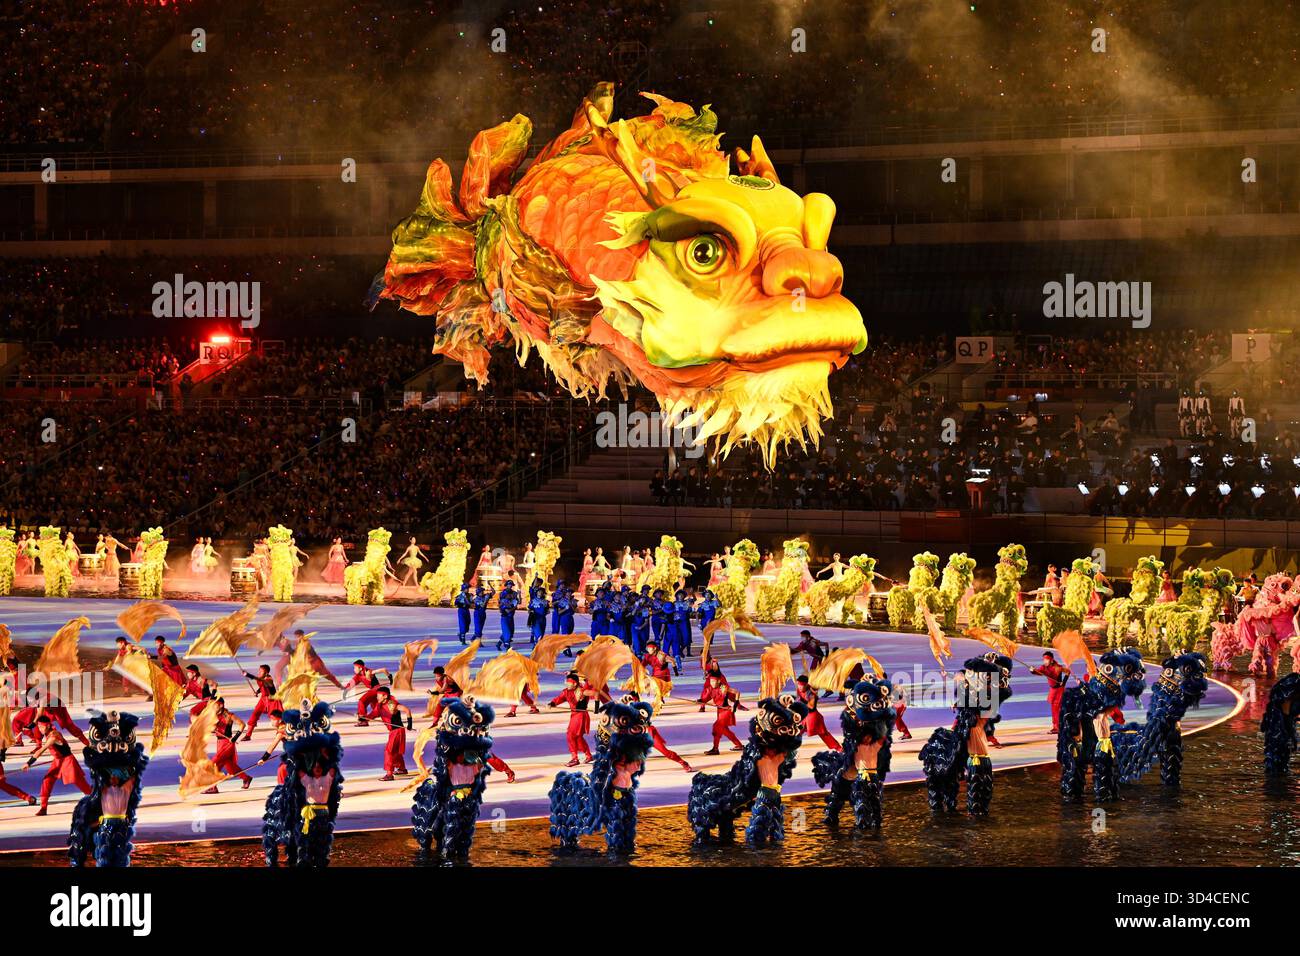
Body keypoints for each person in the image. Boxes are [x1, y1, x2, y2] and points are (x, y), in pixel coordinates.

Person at [25, 715, 91, 815]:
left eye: (41, 727)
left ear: (47, 726)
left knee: (80, 783)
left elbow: (41, 751)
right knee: (47, 780)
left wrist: (28, 763)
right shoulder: (48, 734)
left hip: (68, 761)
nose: (40, 729)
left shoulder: (53, 736)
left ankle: (97, 799)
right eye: (38, 727)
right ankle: (43, 808)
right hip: (58, 761)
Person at [548, 671, 597, 766]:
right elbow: (560, 698)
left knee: (570, 735)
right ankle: (588, 755)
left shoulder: (582, 691)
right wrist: (552, 703)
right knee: (578, 738)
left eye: (569, 682)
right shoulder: (566, 691)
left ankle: (574, 758)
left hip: (581, 716)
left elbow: (596, 693)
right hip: (574, 715)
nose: (567, 684)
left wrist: (597, 707)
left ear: (575, 683)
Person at [207, 699, 252, 792]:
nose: (213, 707)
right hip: (219, 743)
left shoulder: (229, 715)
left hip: (227, 743)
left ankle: (213, 786)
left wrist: (235, 737)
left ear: (221, 705)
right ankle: (246, 778)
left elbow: (242, 724)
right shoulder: (215, 716)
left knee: (214, 763)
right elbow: (213, 728)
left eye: (214, 705)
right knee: (230, 767)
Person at [373, 687, 414, 781]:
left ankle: (389, 774)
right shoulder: (379, 705)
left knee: (389, 751)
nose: (377, 697)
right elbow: (373, 714)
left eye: (379, 695)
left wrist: (410, 723)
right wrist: (363, 717)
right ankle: (402, 769)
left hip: (397, 730)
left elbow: (407, 710)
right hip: (393, 732)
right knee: (395, 751)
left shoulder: (391, 703)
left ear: (385, 696)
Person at [700, 674, 745, 754]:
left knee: (716, 726)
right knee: (724, 730)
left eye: (714, 681)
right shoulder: (710, 689)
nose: (712, 683)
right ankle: (739, 745)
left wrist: (736, 704)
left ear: (719, 681)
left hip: (726, 711)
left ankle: (715, 749)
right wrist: (700, 700)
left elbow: (737, 692)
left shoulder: (723, 688)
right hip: (719, 711)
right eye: (711, 681)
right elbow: (705, 699)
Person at [1029, 650, 1070, 734]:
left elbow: (1068, 672)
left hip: (1059, 690)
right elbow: (1039, 672)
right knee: (1053, 709)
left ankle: (1059, 727)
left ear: (1051, 660)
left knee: (1057, 709)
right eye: (1044, 660)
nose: (1044, 661)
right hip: (1053, 690)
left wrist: (1064, 682)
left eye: (1046, 660)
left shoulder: (1057, 668)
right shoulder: (1044, 667)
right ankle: (1056, 726)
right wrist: (1033, 670)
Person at [795, 675, 840, 750]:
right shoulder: (799, 690)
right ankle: (788, 750)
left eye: (801, 685)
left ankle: (838, 748)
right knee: (796, 732)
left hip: (813, 716)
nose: (799, 687)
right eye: (798, 685)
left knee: (823, 733)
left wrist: (802, 702)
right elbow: (798, 699)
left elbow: (811, 706)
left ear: (806, 685)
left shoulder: (811, 693)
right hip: (804, 716)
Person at [239, 664, 281, 739]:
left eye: (261, 671)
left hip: (272, 700)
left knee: (275, 718)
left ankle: (282, 733)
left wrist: (248, 675)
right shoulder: (262, 678)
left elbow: (264, 682)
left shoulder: (269, 679)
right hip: (263, 699)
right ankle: (248, 735)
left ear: (266, 673)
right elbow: (262, 686)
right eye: (259, 671)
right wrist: (258, 692)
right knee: (255, 714)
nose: (259, 673)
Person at [344, 660, 384, 726]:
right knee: (376, 709)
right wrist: (345, 691)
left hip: (376, 689)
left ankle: (363, 721)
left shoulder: (368, 672)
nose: (354, 669)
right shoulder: (358, 676)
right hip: (372, 691)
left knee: (362, 701)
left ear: (360, 668)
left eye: (355, 668)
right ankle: (389, 716)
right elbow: (351, 683)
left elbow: (378, 672)